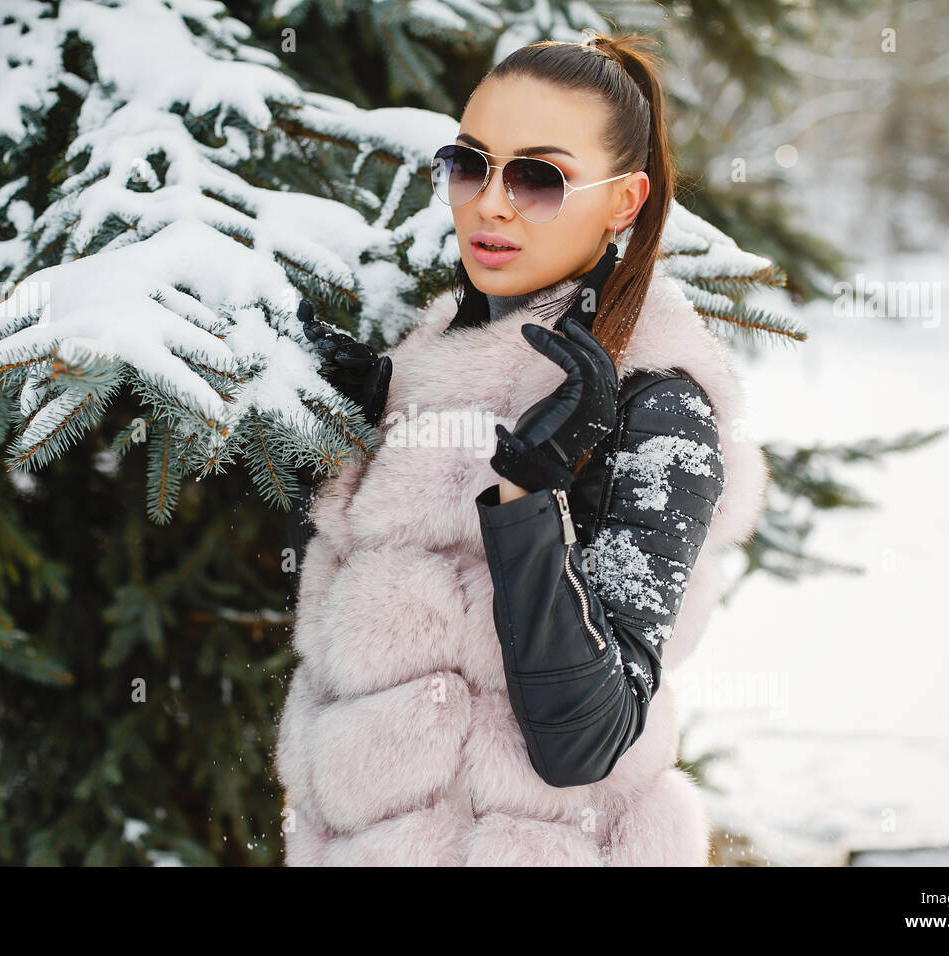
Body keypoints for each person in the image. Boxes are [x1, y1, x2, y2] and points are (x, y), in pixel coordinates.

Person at [275, 28, 769, 866]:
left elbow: (585, 739)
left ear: (625, 201)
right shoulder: (426, 372)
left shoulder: (658, 408)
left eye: (539, 178)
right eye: (470, 165)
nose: (491, 204)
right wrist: (336, 464)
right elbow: (343, 655)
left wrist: (526, 500)